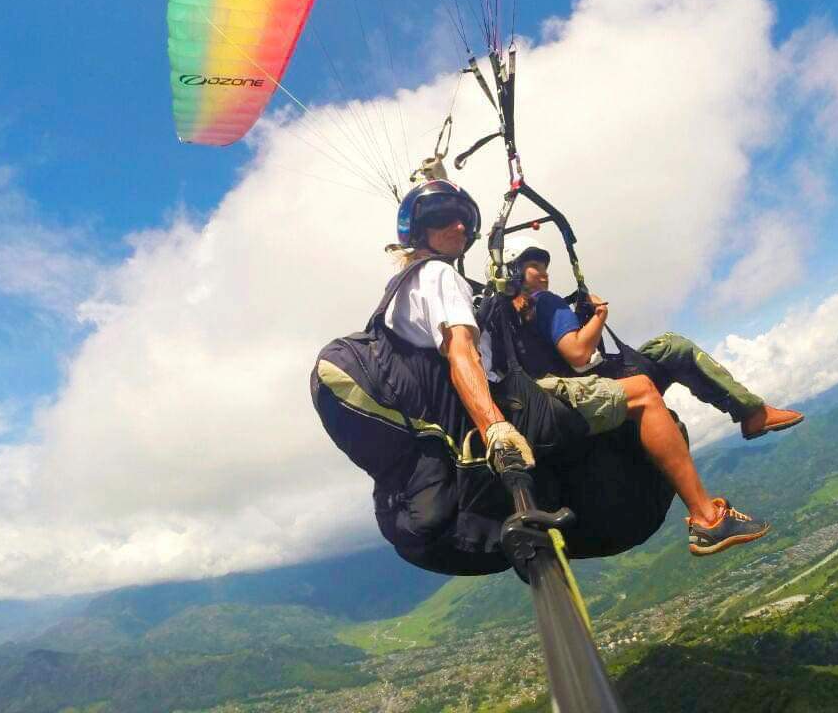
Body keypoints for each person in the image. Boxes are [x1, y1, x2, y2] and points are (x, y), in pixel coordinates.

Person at [315, 179, 769, 561]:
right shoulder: (437, 276)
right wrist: (495, 429)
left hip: (477, 413)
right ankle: (708, 518)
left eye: (461, 219)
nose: (455, 226)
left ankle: (748, 421)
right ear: (417, 229)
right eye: (440, 218)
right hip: (509, 406)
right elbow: (461, 353)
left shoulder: (400, 292)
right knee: (644, 392)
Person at [496, 235, 804, 442]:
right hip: (596, 380)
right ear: (515, 272)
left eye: (544, 267)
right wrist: (599, 316)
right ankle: (751, 412)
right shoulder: (546, 302)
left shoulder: (517, 317)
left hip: (573, 385)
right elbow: (577, 353)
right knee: (674, 347)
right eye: (535, 267)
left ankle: (751, 412)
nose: (544, 274)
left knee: (667, 348)